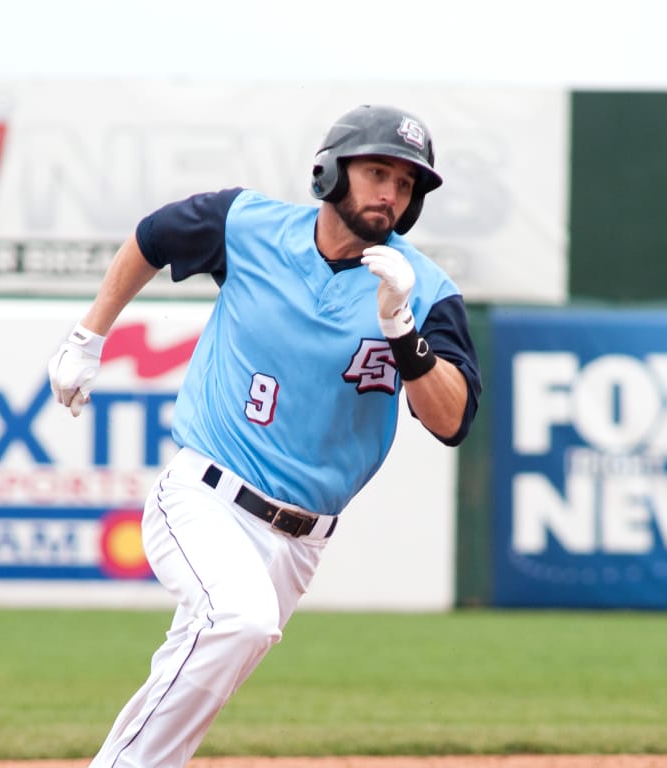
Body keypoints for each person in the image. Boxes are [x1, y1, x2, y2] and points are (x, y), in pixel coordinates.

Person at [45, 104, 481, 768]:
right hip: (205, 494)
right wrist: (89, 334)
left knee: (208, 660)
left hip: (302, 541)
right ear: (332, 171)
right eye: (377, 172)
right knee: (237, 621)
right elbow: (152, 238)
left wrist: (403, 333)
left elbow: (451, 419)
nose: (391, 193)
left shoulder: (424, 292)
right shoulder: (248, 226)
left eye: (406, 183)